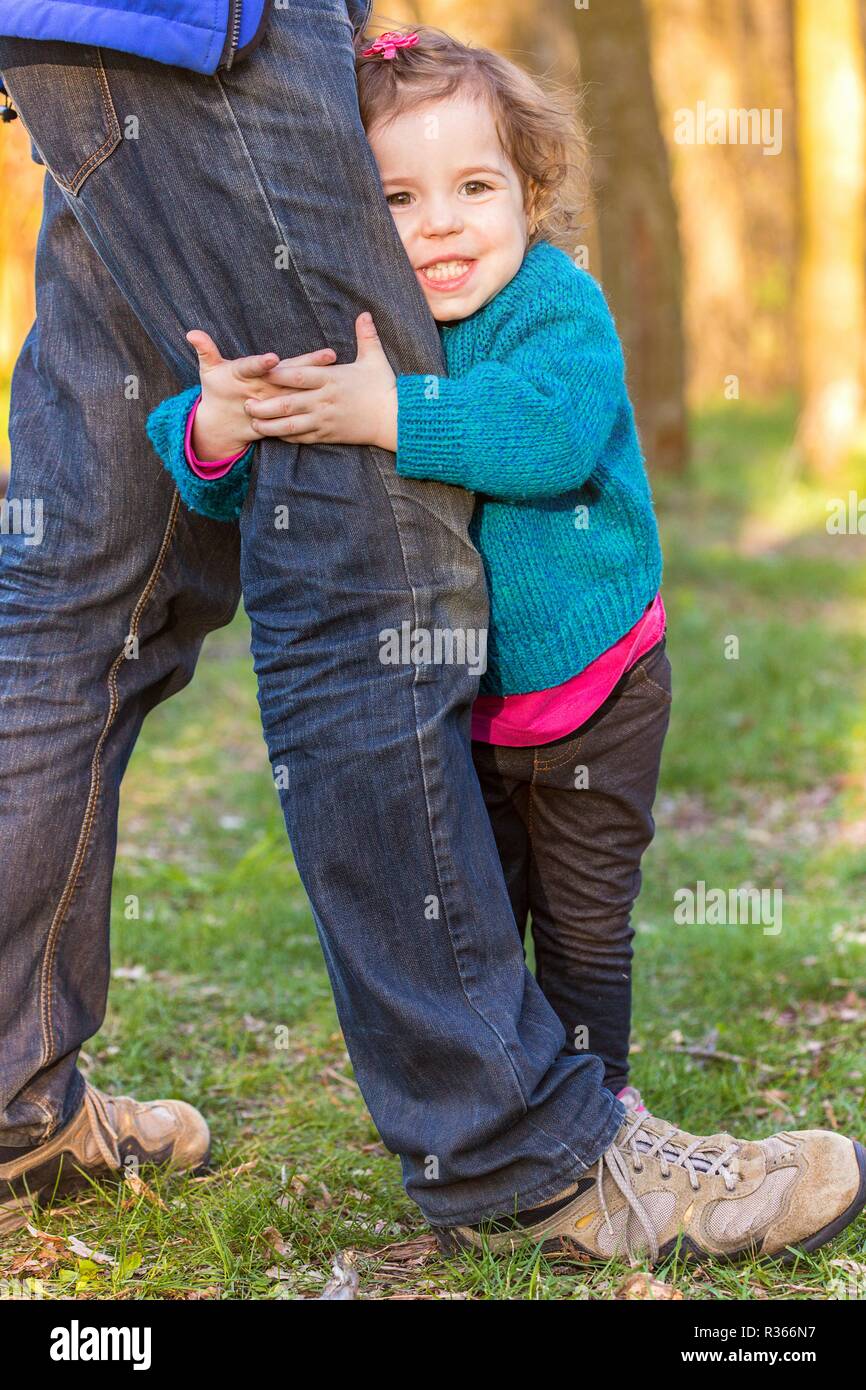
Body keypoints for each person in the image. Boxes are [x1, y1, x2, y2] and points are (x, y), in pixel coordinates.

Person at [139, 24, 866, 1264]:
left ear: (530, 190)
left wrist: (390, 409)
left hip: (593, 690)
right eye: (397, 198)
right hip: (458, 707)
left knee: (580, 925)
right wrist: (215, 423)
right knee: (481, 917)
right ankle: (505, 1113)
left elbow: (542, 435)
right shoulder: (351, 317)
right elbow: (229, 475)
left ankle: (601, 1119)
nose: (439, 225)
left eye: (473, 187)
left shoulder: (554, 305)